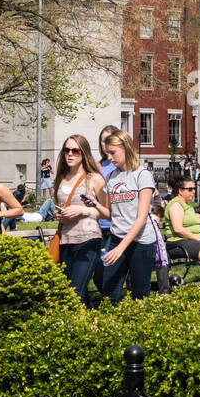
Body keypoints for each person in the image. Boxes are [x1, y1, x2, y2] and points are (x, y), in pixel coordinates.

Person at [99, 129, 158, 302]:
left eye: (112, 152)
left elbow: (141, 218)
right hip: (117, 239)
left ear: (125, 148)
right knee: (109, 294)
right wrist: (94, 205)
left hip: (140, 243)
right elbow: (111, 214)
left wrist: (120, 248)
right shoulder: (111, 177)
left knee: (139, 296)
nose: (109, 157)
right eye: (107, 153)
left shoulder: (142, 175)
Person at [53, 134, 110, 307]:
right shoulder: (61, 178)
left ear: (83, 153)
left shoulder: (95, 179)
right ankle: (92, 326)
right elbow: (61, 206)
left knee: (75, 293)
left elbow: (108, 213)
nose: (70, 154)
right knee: (73, 292)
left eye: (75, 151)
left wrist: (83, 210)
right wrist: (60, 215)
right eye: (66, 150)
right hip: (65, 241)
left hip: (88, 240)